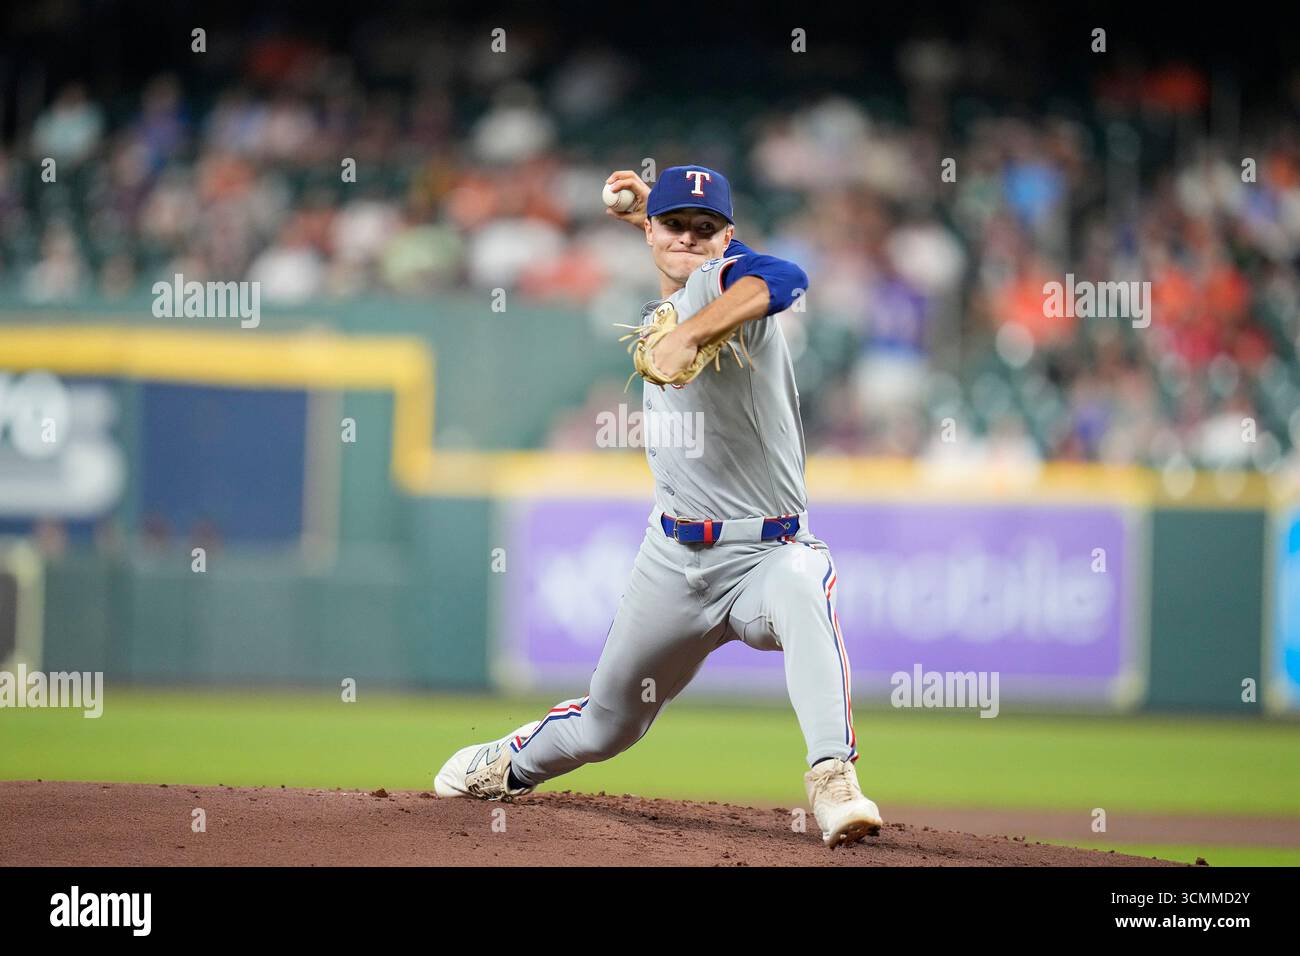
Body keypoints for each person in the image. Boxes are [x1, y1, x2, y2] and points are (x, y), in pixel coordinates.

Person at [434, 165, 882, 848]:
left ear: (728, 236)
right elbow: (681, 261)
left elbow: (784, 277)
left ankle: (832, 777)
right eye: (675, 225)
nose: (690, 238)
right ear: (648, 231)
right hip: (672, 561)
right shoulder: (672, 291)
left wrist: (693, 330)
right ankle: (508, 764)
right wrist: (657, 215)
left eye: (707, 228)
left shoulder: (738, 286)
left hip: (764, 553)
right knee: (608, 726)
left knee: (803, 584)